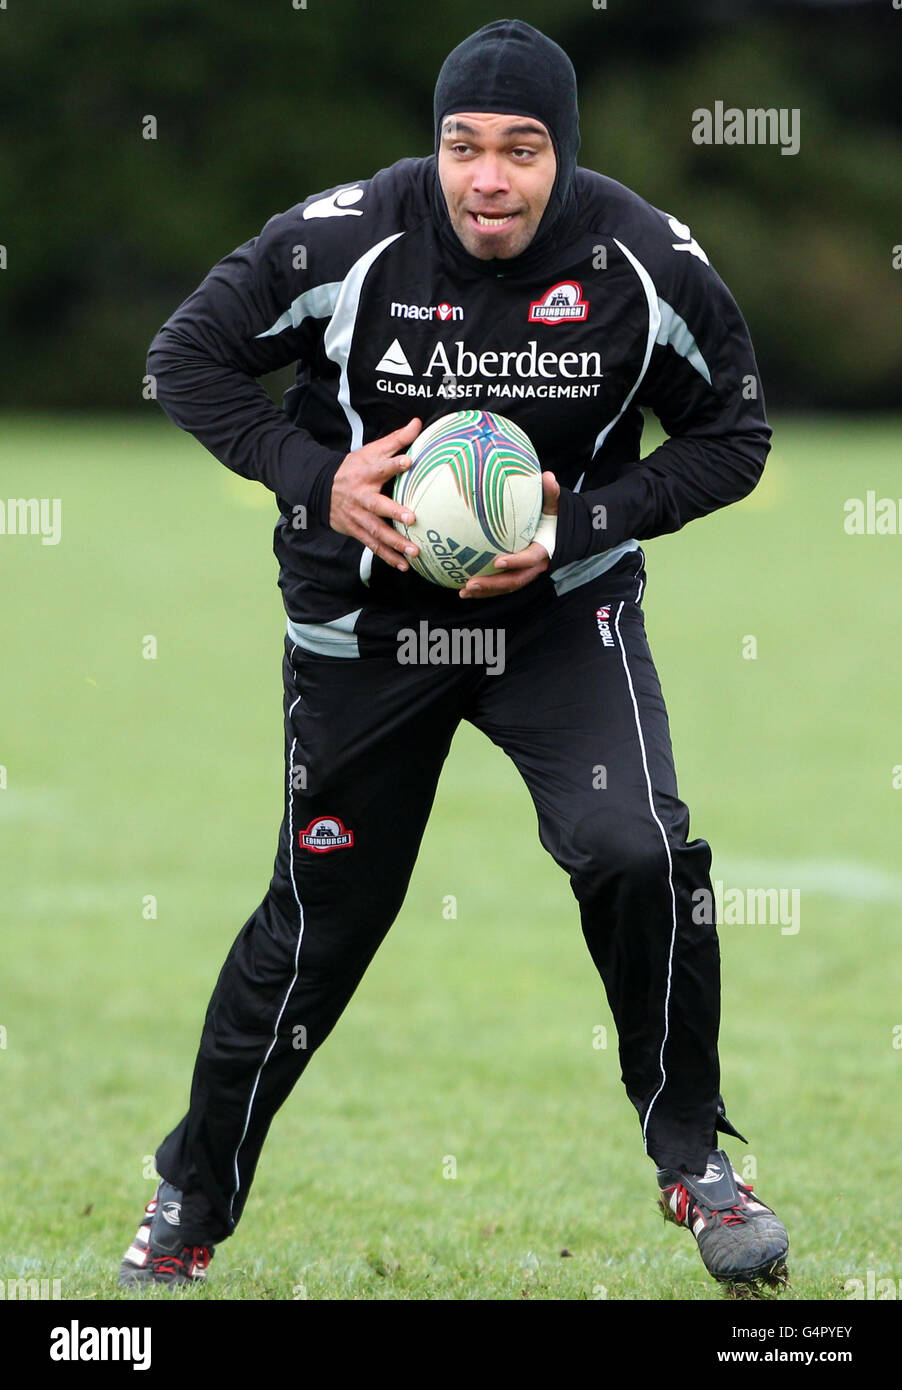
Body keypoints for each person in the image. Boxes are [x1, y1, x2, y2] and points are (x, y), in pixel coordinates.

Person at [119, 18, 789, 1293]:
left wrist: (573, 523)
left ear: (562, 158)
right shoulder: (340, 239)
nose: (487, 176)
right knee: (321, 922)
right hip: (367, 621)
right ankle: (188, 1201)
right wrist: (318, 479)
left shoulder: (641, 261)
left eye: (521, 151)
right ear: (435, 150)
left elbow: (732, 435)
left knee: (638, 846)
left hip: (556, 616)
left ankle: (696, 1160)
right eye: (463, 147)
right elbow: (184, 357)